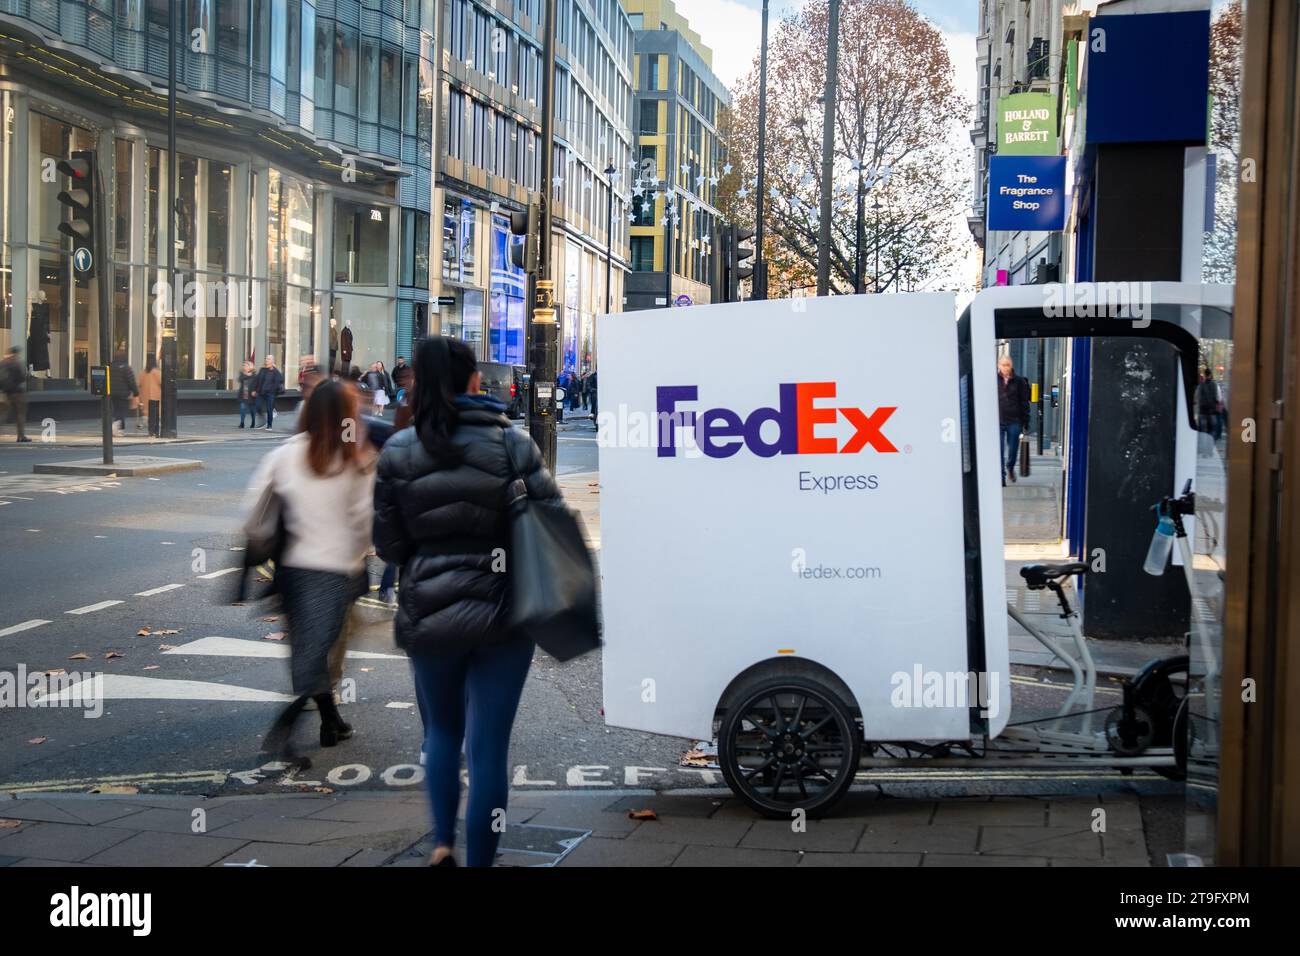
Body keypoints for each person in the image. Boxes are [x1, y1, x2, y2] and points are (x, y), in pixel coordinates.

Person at [374, 336, 562, 867]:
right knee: (488, 748)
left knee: (441, 732)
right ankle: (480, 860)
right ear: (474, 382)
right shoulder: (513, 443)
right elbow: (549, 521)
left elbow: (388, 545)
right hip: (505, 611)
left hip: (429, 611)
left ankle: (442, 844)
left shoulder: (399, 450)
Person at [244, 379, 375, 768]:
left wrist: (272, 545)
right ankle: (282, 735)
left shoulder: (284, 454)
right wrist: (354, 552)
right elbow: (366, 523)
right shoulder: (357, 460)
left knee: (310, 648)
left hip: (294, 571)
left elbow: (253, 517)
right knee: (317, 650)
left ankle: (331, 722)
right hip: (337, 571)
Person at [997, 356, 1030, 486]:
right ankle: (1001, 476)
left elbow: (1024, 402)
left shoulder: (1019, 381)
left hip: (1014, 421)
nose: (1006, 367)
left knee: (1013, 449)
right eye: (1003, 365)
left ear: (1011, 366)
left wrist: (1026, 421)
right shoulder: (993, 380)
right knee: (998, 449)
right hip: (998, 420)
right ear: (998, 365)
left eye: (1008, 365)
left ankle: (1010, 466)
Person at [0, 346, 30, 443]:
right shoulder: (16, 362)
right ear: (16, 353)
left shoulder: (2, 363)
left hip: (6, 393)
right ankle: (21, 436)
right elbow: (22, 377)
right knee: (20, 414)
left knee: (3, 414)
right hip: (18, 392)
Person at [109, 349, 139, 437]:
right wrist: (136, 392)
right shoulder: (126, 367)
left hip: (111, 392)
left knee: (116, 409)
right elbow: (131, 381)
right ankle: (118, 428)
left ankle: (118, 427)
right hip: (122, 393)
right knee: (121, 411)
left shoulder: (110, 366)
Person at [252, 354, 284, 431]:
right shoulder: (262, 369)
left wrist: (272, 389)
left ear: (273, 361)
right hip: (261, 392)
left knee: (269, 409)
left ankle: (269, 425)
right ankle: (263, 420)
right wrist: (254, 389)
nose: (267, 360)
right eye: (266, 358)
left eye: (269, 359)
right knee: (257, 406)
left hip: (270, 393)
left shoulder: (275, 371)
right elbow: (257, 380)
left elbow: (280, 381)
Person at [1196, 368, 1224, 442]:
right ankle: (1211, 447)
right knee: (1213, 430)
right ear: (1210, 375)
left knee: (1204, 431)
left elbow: (1197, 397)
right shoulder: (1215, 385)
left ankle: (1204, 448)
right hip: (1212, 412)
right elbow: (1219, 398)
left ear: (1204, 375)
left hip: (1202, 412)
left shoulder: (1200, 386)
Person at [140, 354, 162, 438]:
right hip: (156, 396)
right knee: (155, 415)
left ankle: (150, 431)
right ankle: (155, 431)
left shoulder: (143, 373)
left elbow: (140, 384)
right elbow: (161, 383)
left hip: (146, 397)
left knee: (150, 415)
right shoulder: (157, 372)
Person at [237, 360, 258, 428]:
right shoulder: (242, 374)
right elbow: (240, 380)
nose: (244, 367)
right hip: (243, 394)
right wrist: (246, 375)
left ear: (250, 367)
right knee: (242, 409)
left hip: (251, 395)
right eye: (244, 365)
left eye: (246, 365)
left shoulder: (255, 375)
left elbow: (257, 384)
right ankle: (242, 423)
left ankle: (253, 422)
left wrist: (255, 391)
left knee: (252, 410)